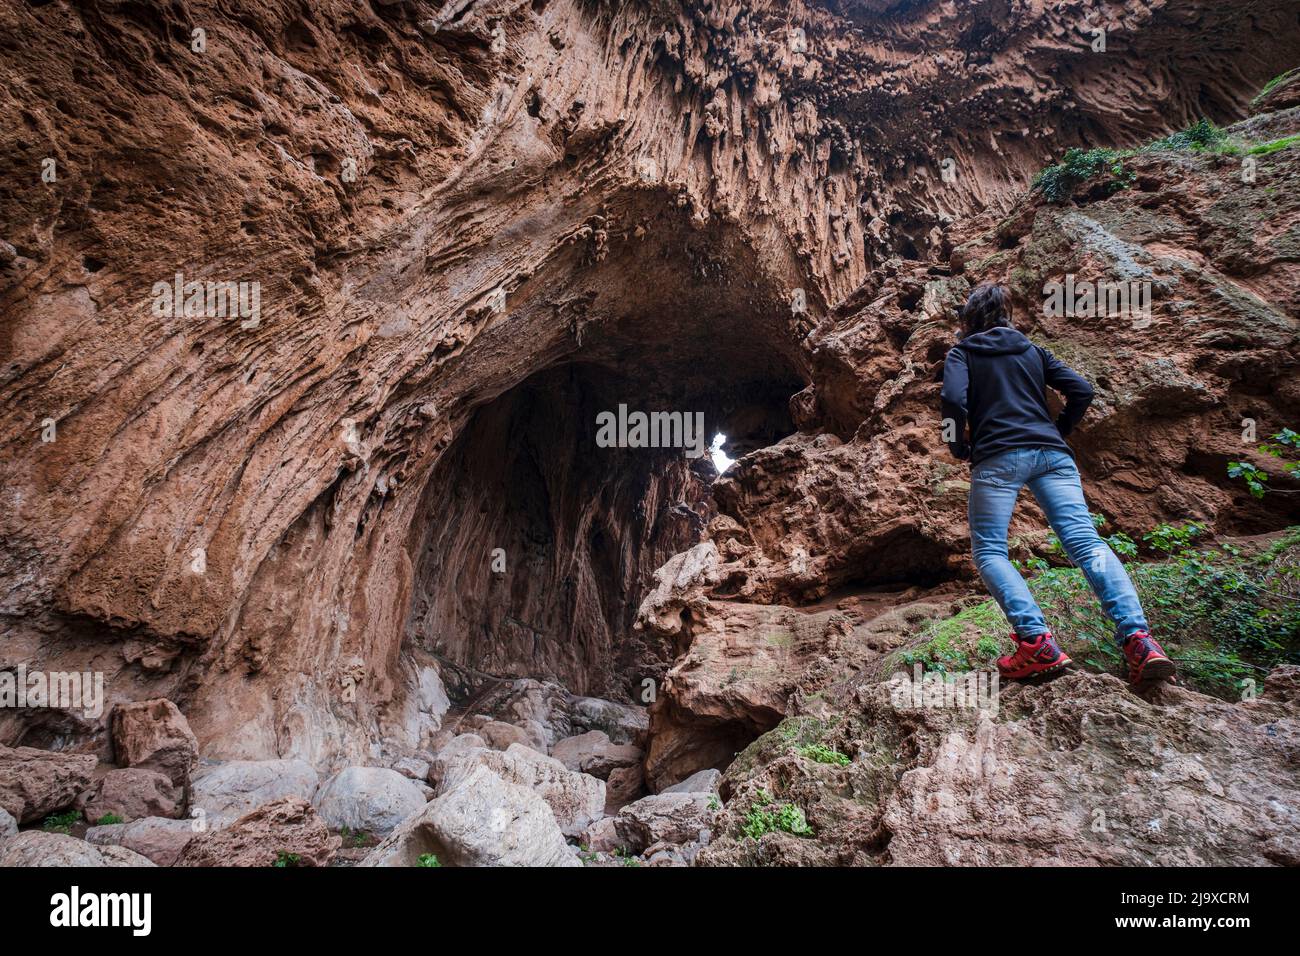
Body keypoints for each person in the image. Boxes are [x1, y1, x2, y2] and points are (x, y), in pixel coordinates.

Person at [940, 282, 1175, 688]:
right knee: (1087, 544)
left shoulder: (963, 352)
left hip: (997, 458)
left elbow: (952, 400)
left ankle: (1036, 643)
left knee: (991, 551)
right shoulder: (1033, 351)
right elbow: (1082, 390)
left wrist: (956, 443)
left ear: (969, 319)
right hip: (1052, 456)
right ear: (1006, 315)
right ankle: (1140, 641)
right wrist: (1058, 430)